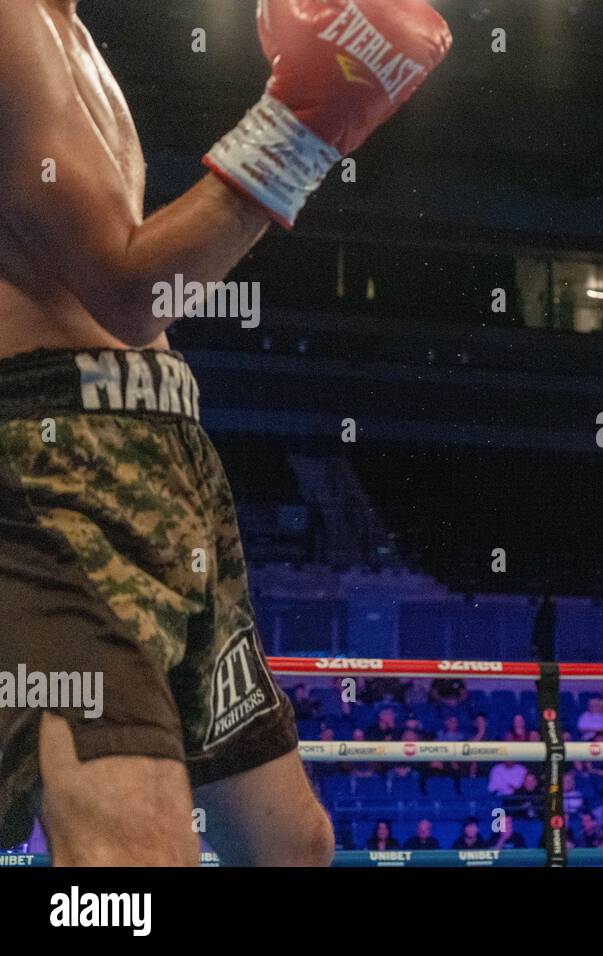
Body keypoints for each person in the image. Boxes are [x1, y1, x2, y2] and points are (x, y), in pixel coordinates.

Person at [0, 0, 449, 865]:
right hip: (53, 472)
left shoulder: (66, 28)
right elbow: (130, 295)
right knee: (131, 861)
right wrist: (303, 123)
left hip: (165, 462)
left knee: (288, 843)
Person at [531, 593, 557, 662]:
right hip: (543, 642)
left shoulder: (546, 611)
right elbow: (537, 629)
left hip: (545, 642)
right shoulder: (543, 612)